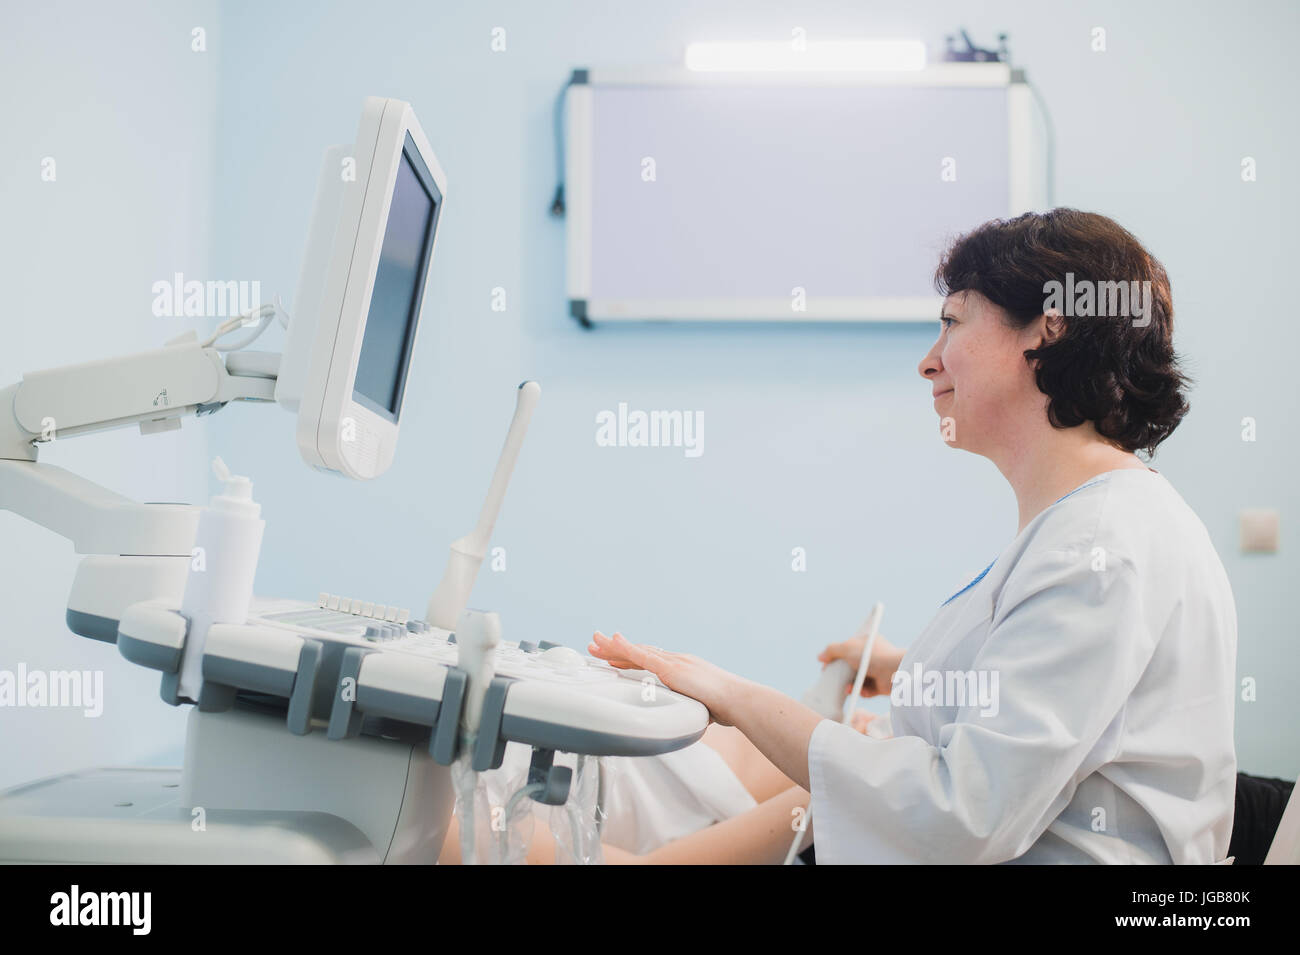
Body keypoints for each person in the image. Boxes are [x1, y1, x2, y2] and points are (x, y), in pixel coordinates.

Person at [587, 209, 1239, 864]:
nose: (929, 364)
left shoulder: (1100, 547)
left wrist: (732, 695)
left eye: (952, 322)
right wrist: (914, 672)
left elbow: (962, 817)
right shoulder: (1089, 525)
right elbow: (1036, 693)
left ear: (1047, 331)